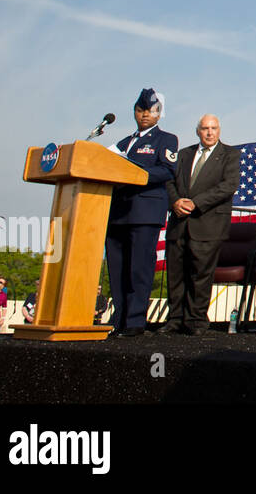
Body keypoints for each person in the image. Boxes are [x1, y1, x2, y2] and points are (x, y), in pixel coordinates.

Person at [105, 88, 179, 337]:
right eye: (140, 110)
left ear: (159, 114)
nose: (145, 114)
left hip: (144, 211)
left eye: (150, 110)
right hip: (117, 212)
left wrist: (136, 174)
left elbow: (167, 170)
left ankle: (135, 321)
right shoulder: (124, 143)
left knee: (138, 268)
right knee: (117, 269)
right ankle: (119, 319)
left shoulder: (166, 140)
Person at [162, 114, 240, 336]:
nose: (209, 132)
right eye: (205, 128)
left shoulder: (230, 155)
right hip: (179, 223)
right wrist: (175, 201)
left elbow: (229, 186)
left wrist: (195, 203)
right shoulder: (184, 155)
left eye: (213, 128)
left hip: (208, 224)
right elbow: (169, 180)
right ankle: (175, 319)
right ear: (198, 131)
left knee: (200, 276)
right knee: (176, 275)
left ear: (219, 130)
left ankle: (196, 320)